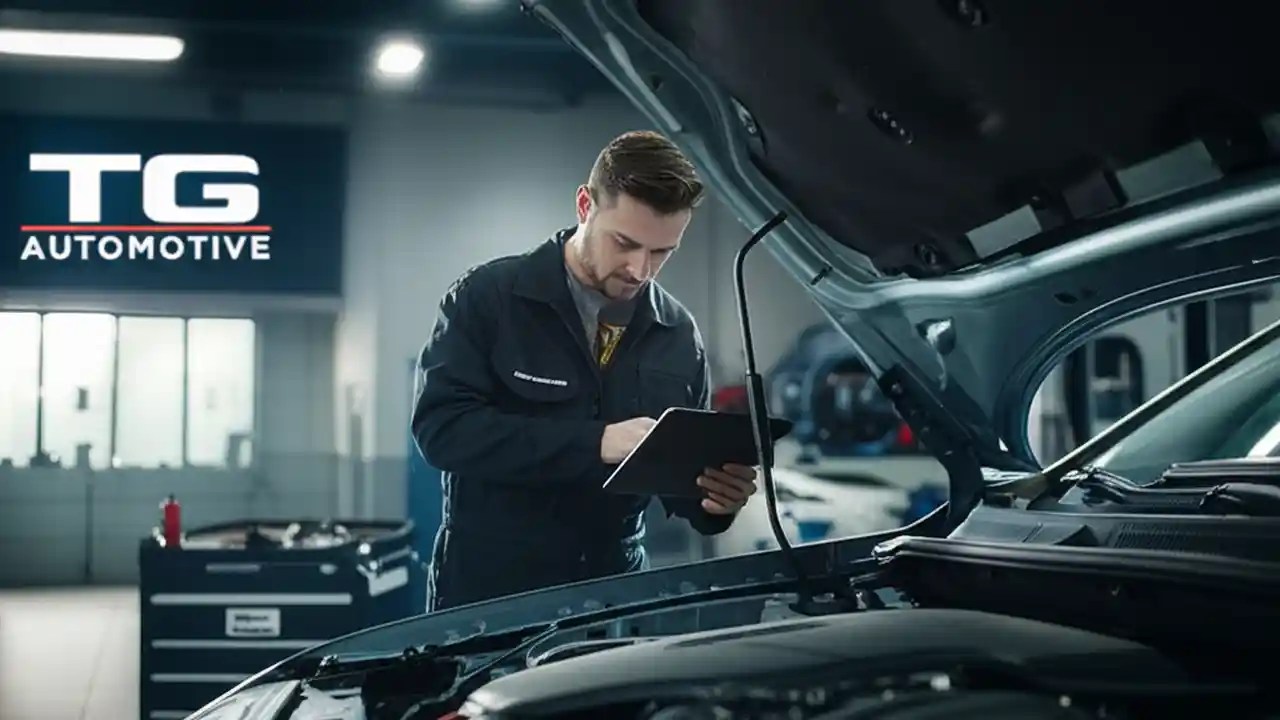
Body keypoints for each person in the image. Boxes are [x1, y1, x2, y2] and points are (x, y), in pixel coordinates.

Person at [412, 130, 760, 612]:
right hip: (490, 595)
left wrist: (715, 502)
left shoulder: (677, 332)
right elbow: (442, 432)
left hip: (615, 596)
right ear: (584, 205)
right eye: (625, 243)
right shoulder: (489, 298)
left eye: (662, 252)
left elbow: (680, 481)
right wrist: (595, 442)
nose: (640, 269)